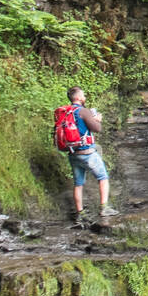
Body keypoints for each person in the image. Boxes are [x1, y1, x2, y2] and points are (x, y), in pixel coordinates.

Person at [62, 87, 118, 225]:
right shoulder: (83, 111)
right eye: (83, 94)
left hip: (73, 153)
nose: (84, 96)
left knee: (78, 183)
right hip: (87, 153)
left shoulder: (66, 112)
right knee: (103, 177)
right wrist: (97, 119)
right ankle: (104, 207)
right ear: (79, 97)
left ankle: (80, 213)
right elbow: (97, 128)